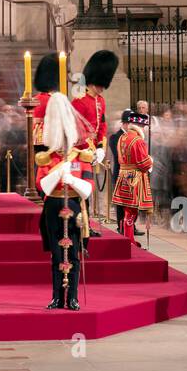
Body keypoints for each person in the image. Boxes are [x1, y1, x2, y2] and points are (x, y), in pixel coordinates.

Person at [35, 91, 93, 310]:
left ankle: (73, 296)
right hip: (53, 206)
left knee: (75, 254)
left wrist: (72, 180)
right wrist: (59, 174)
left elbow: (88, 188)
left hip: (75, 205)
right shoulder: (47, 158)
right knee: (56, 254)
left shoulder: (80, 157)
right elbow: (43, 188)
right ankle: (57, 296)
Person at [73, 50, 117, 237]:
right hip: (80, 154)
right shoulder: (79, 102)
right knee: (82, 191)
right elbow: (76, 131)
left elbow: (102, 125)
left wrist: (100, 147)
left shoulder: (101, 101)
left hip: (93, 153)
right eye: (99, 85)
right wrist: (87, 150)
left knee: (89, 190)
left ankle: (87, 225)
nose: (101, 89)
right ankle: (82, 225)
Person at [111, 109, 153, 241]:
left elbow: (119, 159)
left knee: (126, 210)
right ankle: (129, 239)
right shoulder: (137, 140)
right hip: (134, 178)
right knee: (131, 211)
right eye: (144, 127)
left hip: (123, 175)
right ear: (140, 126)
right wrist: (151, 160)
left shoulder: (122, 138)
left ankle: (127, 237)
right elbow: (143, 163)